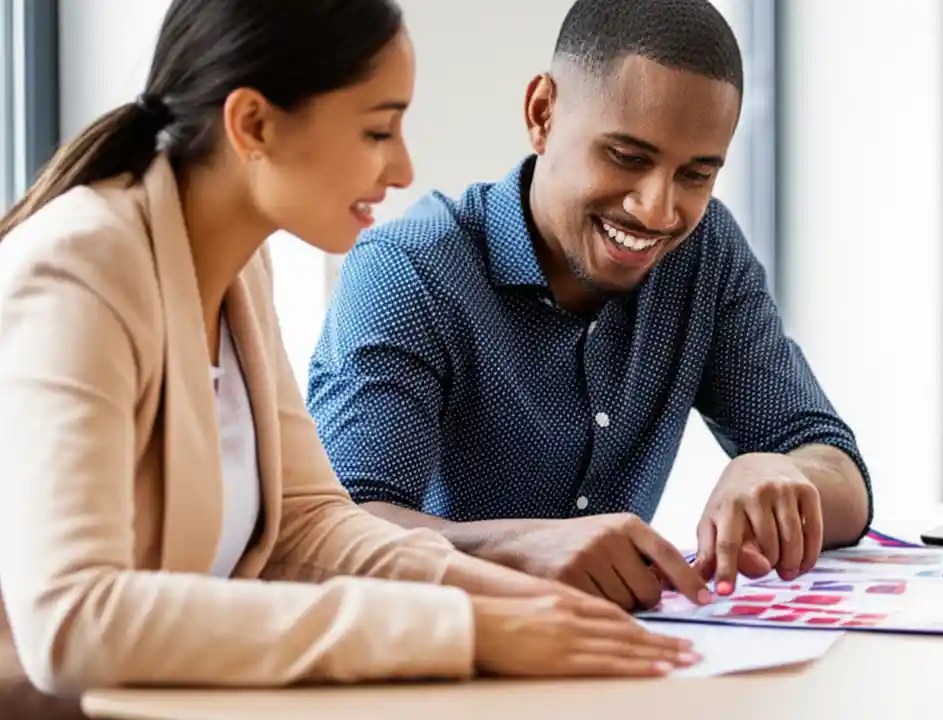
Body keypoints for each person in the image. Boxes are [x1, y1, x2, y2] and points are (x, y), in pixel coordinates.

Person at [0, 0, 697, 714]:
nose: (402, 168)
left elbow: (308, 525)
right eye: (376, 130)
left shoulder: (235, 272)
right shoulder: (80, 268)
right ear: (253, 125)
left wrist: (519, 600)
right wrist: (463, 630)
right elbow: (72, 619)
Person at [307, 0, 873, 613]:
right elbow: (339, 538)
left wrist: (782, 475)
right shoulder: (410, 272)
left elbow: (836, 468)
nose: (658, 210)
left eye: (695, 176)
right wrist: (522, 546)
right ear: (542, 114)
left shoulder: (704, 253)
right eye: (627, 158)